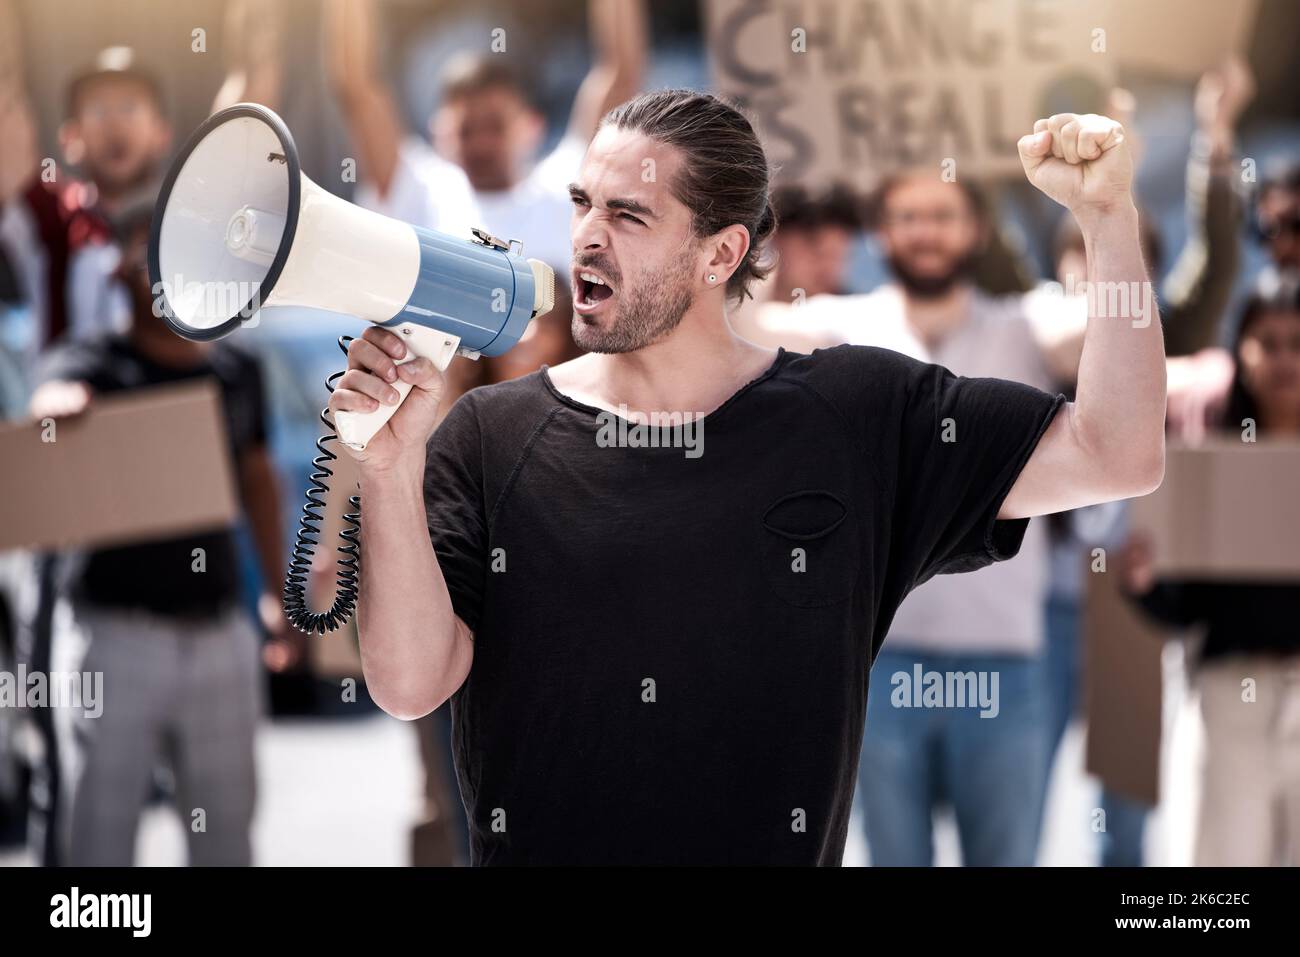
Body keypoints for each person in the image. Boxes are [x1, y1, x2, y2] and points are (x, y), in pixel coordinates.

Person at [330, 89, 1165, 865]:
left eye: (628, 214)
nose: (587, 235)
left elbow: (1118, 452)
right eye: (583, 203)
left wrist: (1108, 219)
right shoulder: (489, 434)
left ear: (721, 252)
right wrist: (390, 469)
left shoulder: (855, 414)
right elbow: (409, 685)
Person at [29, 201, 290, 865]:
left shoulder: (237, 369)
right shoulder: (90, 363)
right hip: (114, 636)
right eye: (148, 253)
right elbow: (49, 406)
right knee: (98, 836)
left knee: (227, 836)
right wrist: (56, 413)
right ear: (120, 269)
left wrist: (277, 598)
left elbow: (260, 480)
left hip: (218, 634)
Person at [327, 0, 647, 389]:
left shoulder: (571, 183)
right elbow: (356, 88)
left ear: (531, 126)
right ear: (439, 131)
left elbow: (621, 69)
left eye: (494, 125)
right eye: (466, 129)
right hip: (451, 423)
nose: (480, 142)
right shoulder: (419, 190)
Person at [1118, 276, 1300, 867]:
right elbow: (1182, 602)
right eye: (1267, 342)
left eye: (1297, 343)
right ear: (1240, 350)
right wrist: (1142, 583)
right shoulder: (1205, 457)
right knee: (1221, 872)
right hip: (1231, 696)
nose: (1283, 360)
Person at [0, 34, 172, 368]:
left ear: (161, 133)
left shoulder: (189, 223)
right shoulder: (50, 216)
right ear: (69, 139)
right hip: (67, 412)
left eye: (129, 106)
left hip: (170, 407)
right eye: (97, 109)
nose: (114, 123)